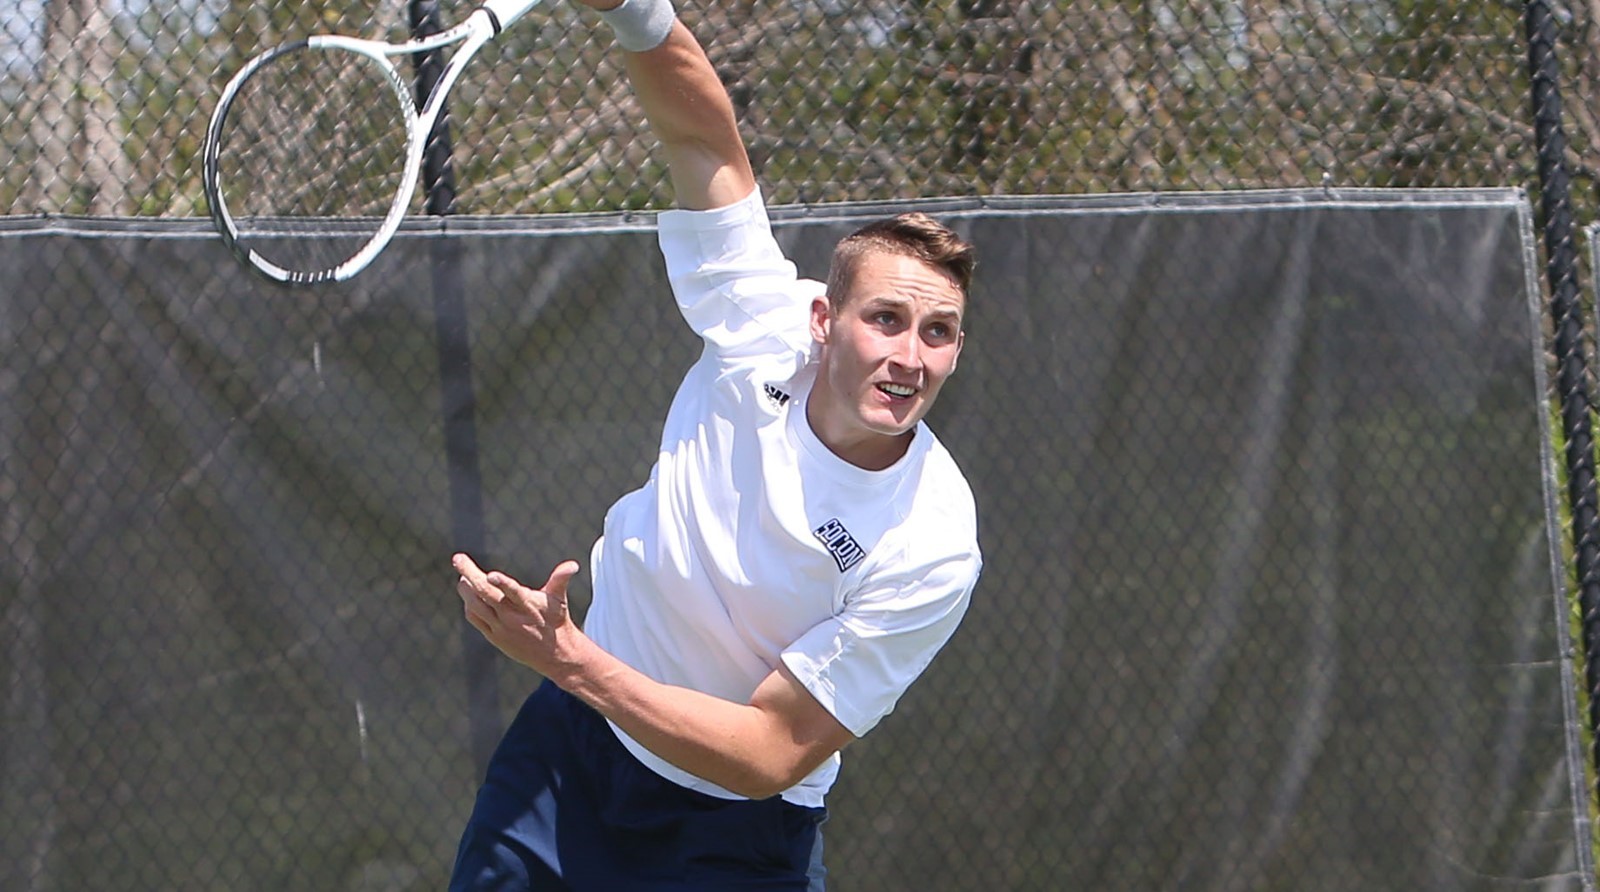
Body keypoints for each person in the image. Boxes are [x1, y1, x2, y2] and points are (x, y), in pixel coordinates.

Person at [448, 0, 981, 888]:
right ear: (822, 319)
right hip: (571, 759)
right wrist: (635, 11)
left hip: (737, 837)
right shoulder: (759, 327)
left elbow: (770, 751)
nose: (908, 356)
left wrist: (570, 659)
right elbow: (706, 144)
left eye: (938, 333)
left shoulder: (933, 544)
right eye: (885, 319)